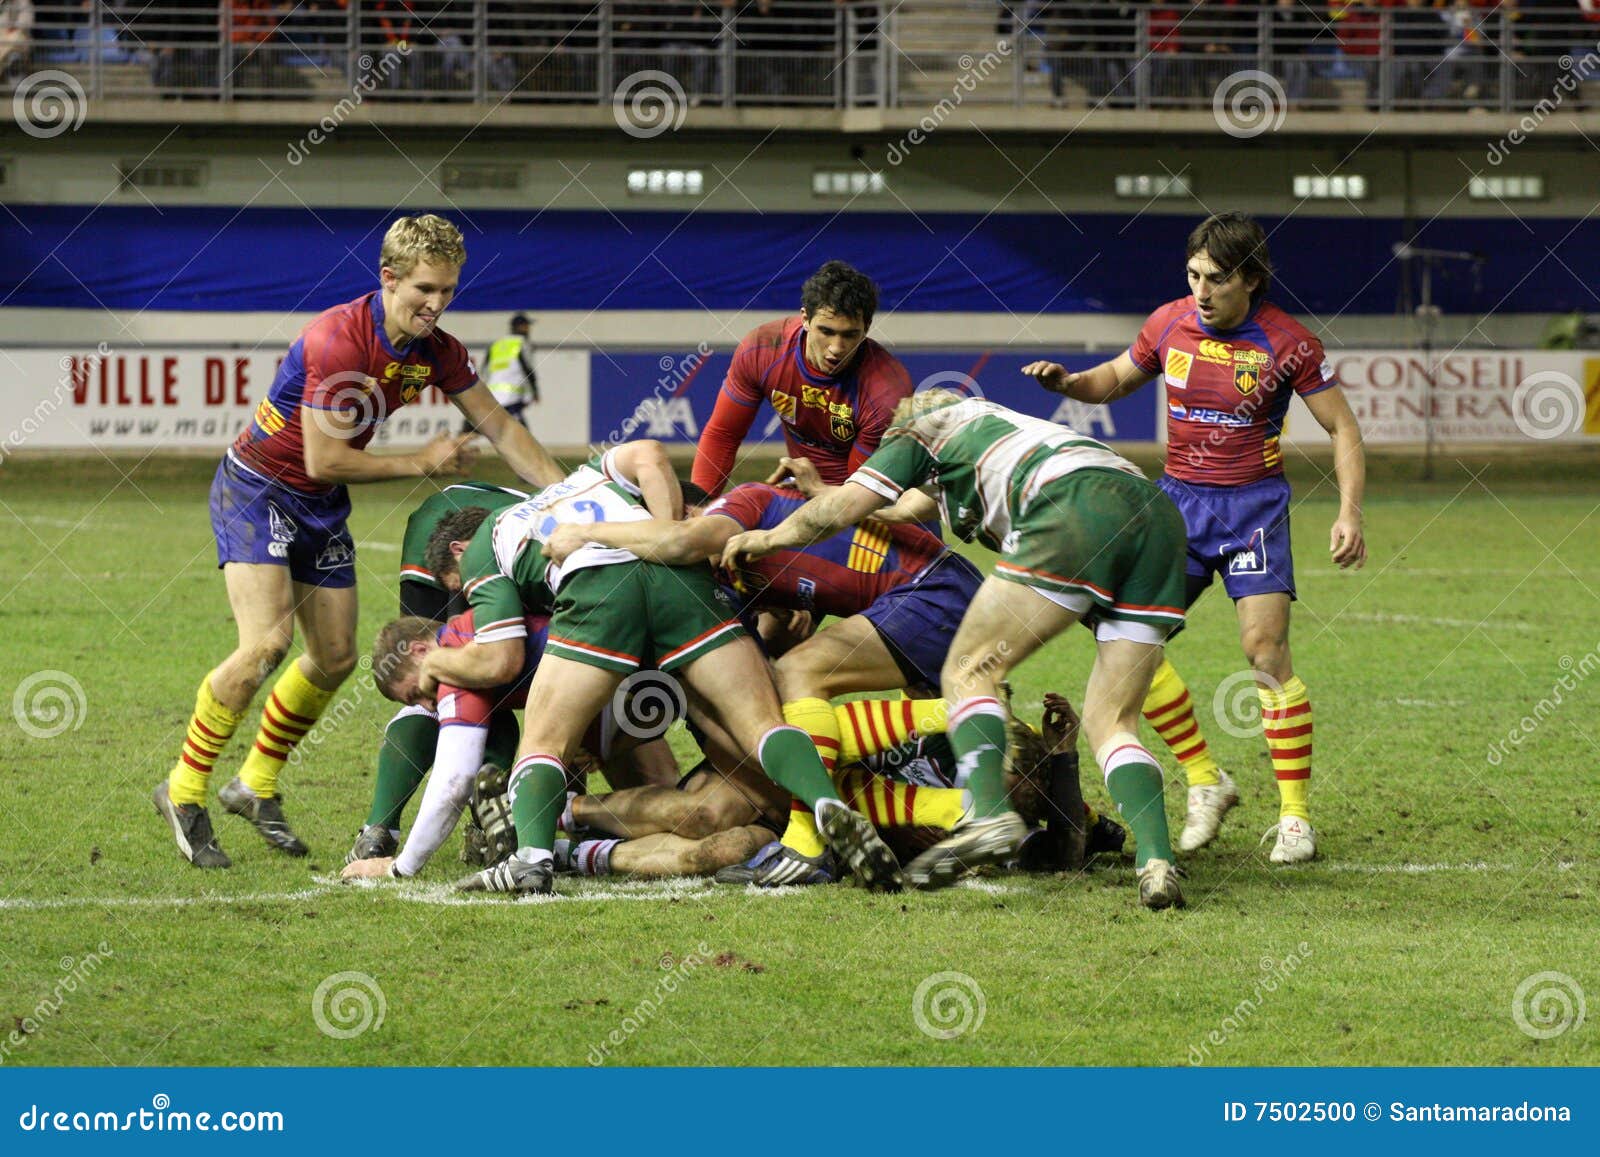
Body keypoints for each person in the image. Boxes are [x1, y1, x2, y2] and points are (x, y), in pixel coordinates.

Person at [153, 213, 567, 870]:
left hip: (318, 505)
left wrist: (569, 500)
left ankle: (253, 783)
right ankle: (183, 789)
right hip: (259, 488)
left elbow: (504, 430)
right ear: (389, 277)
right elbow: (324, 459)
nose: (436, 305)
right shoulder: (337, 340)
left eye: (449, 292)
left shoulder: (437, 350)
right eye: (424, 290)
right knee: (266, 643)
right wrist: (420, 464)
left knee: (338, 654)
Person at [722, 390, 1191, 910]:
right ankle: (1156, 861)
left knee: (968, 671)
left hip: (1073, 504)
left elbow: (844, 509)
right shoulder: (998, 429)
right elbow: (903, 507)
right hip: (1157, 519)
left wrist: (767, 540)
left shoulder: (920, 428)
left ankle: (988, 816)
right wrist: (825, 488)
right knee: (1113, 722)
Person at [1023, 210, 1366, 865]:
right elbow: (1116, 379)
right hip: (1176, 506)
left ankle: (1295, 819)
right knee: (1127, 638)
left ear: (1253, 280)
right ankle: (1206, 778)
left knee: (1264, 651)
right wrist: (1068, 383)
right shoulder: (1169, 322)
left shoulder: (1288, 343)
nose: (1201, 290)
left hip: (1254, 509)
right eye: (1193, 275)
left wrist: (1349, 511)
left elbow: (1343, 429)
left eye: (1215, 279)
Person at [418, 441, 905, 896]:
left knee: (545, 741)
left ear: (460, 552)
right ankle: (827, 806)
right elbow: (650, 452)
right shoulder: (592, 475)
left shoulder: (490, 537)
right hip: (684, 581)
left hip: (598, 589)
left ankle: (531, 859)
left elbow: (499, 658)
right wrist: (667, 530)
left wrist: (434, 662)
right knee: (762, 727)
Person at [543, 461, 983, 884]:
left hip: (935, 591)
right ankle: (562, 837)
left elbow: (685, 540)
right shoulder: (726, 589)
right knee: (719, 818)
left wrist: (584, 533)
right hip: (928, 605)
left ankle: (818, 836)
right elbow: (743, 681)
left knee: (799, 673)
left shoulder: (738, 505)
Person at [345, 480, 529, 866]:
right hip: (456, 532)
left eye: (417, 694)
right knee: (461, 682)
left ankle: (383, 829)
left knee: (466, 680)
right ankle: (487, 820)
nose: (430, 697)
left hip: (482, 536)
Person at [690, 260, 913, 498]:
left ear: (867, 327)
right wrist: (697, 512)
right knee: (739, 505)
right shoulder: (762, 350)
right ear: (805, 318)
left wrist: (811, 492)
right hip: (805, 492)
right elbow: (723, 435)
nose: (837, 348)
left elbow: (859, 497)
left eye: (850, 335)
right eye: (826, 331)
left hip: (877, 507)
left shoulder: (886, 394)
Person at [469, 313, 539, 433]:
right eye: (526, 326)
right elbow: (528, 369)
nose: (528, 329)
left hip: (492, 394)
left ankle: (454, 444)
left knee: (474, 428)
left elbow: (484, 371)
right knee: (522, 432)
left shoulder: (497, 344)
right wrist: (534, 392)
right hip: (511, 395)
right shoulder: (522, 343)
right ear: (520, 327)